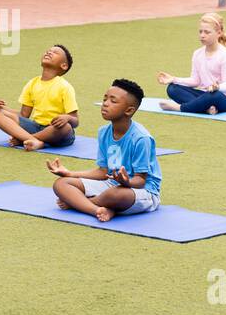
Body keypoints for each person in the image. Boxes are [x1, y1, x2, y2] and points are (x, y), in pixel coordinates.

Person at [46, 78, 161, 222]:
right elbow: (102, 171)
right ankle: (98, 210)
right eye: (105, 99)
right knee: (61, 184)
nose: (105, 104)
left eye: (113, 101)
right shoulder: (104, 132)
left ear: (129, 110)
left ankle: (78, 203)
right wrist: (70, 173)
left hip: (141, 191)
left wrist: (126, 182)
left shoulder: (141, 138)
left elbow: (140, 181)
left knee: (116, 195)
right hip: (111, 185)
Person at [0, 44, 78, 151]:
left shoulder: (65, 86)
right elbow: (24, 115)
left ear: (64, 65)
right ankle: (36, 141)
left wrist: (67, 118)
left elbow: (75, 121)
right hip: (36, 127)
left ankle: (25, 139)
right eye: (48, 51)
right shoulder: (32, 84)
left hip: (56, 131)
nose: (49, 52)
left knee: (66, 127)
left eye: (55, 52)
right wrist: (2, 108)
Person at [156, 12, 226, 114]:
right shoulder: (197, 54)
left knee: (214, 95)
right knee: (172, 88)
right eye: (200, 32)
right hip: (204, 94)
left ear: (219, 33)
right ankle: (206, 109)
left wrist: (217, 87)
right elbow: (195, 81)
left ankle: (180, 108)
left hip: (223, 98)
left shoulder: (225, 55)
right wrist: (174, 79)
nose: (202, 35)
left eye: (207, 32)